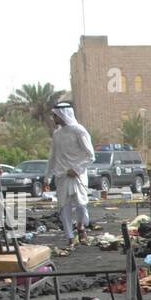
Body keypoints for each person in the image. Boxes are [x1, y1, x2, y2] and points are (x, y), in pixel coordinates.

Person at [45, 103, 95, 247]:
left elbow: (90, 156)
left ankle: (81, 226)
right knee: (64, 207)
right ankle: (69, 237)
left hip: (77, 176)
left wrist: (77, 169)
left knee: (81, 205)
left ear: (62, 114)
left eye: (55, 115)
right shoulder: (57, 134)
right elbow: (52, 157)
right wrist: (47, 177)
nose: (53, 118)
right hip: (61, 176)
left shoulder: (79, 131)